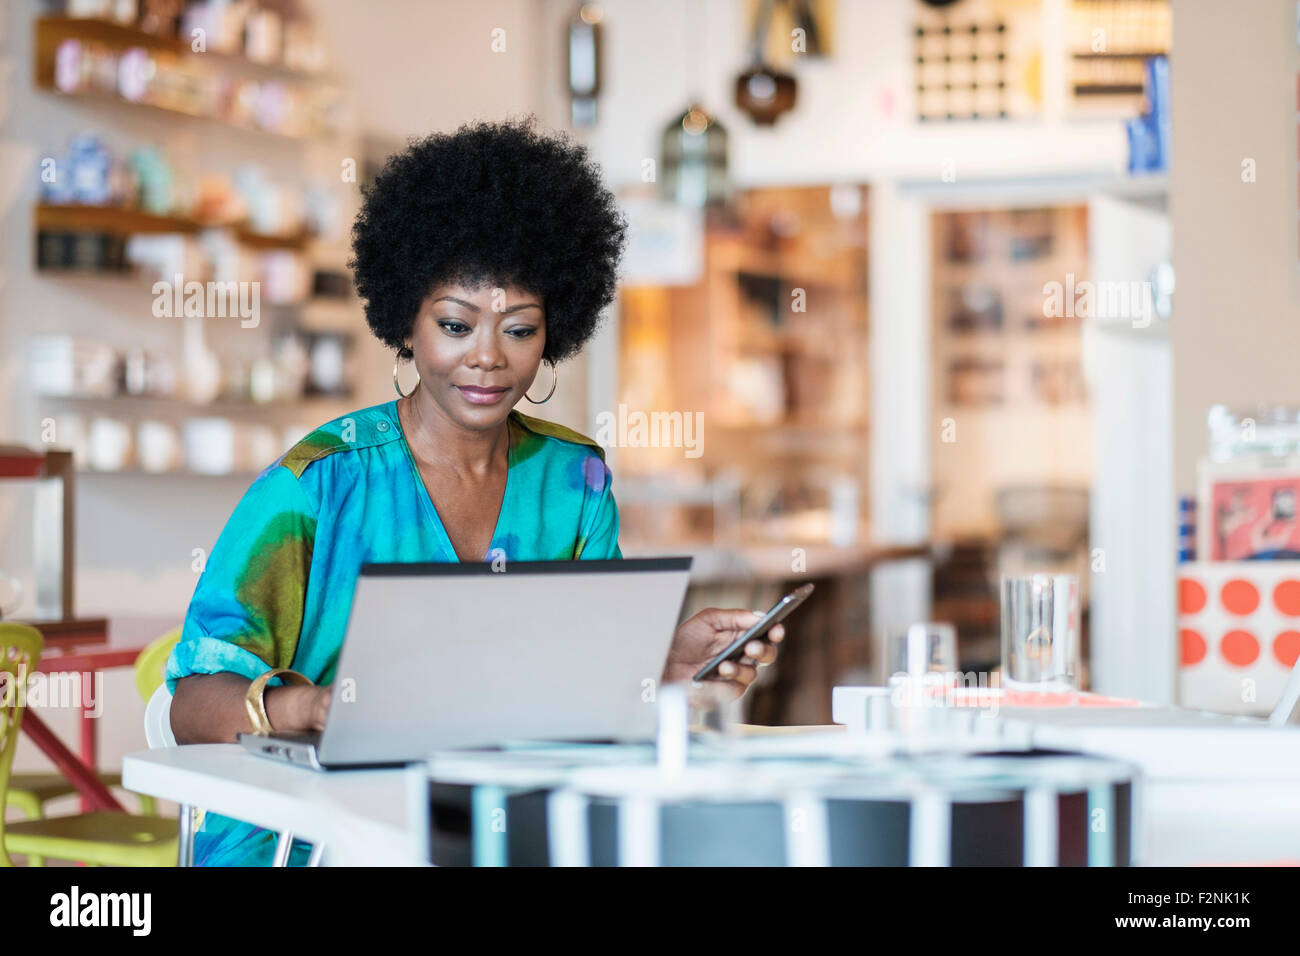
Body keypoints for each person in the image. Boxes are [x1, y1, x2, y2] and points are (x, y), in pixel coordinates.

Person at [165, 116, 784, 866]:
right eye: (456, 324)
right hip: (308, 837)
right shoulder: (318, 484)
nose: (487, 359)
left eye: (519, 331)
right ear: (408, 324)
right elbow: (193, 704)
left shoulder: (573, 478)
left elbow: (566, 684)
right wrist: (315, 708)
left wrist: (662, 667)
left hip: (489, 829)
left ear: (554, 330)